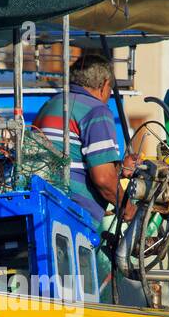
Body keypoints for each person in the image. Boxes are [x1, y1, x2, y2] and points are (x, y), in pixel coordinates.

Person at [33, 52, 136, 228]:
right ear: (103, 85)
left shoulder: (50, 104)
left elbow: (76, 158)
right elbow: (103, 179)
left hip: (43, 202)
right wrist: (127, 208)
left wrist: (120, 168)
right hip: (73, 214)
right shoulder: (96, 111)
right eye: (110, 89)